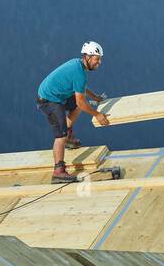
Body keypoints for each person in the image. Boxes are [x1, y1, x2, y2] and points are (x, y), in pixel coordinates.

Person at [36, 42, 110, 183]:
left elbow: (80, 88)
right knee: (60, 136)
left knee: (76, 107)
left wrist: (95, 97)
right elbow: (81, 102)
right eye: (97, 58)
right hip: (48, 100)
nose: (99, 62)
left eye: (100, 59)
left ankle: (69, 137)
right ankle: (58, 172)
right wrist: (97, 115)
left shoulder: (78, 66)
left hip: (56, 95)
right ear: (87, 57)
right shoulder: (79, 72)